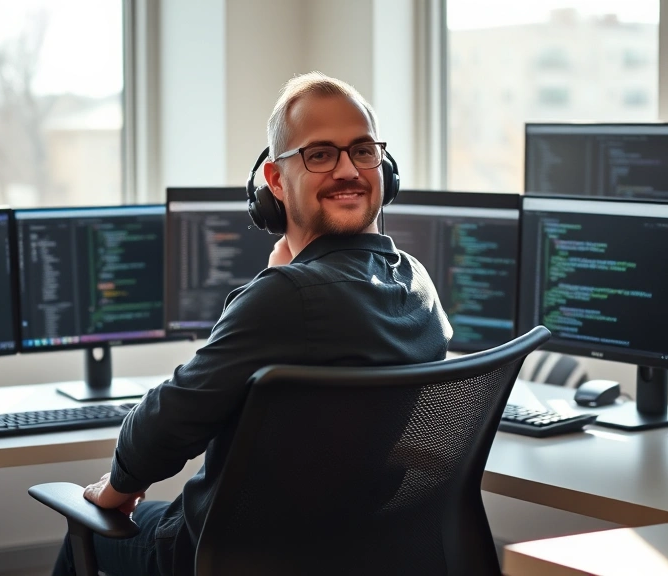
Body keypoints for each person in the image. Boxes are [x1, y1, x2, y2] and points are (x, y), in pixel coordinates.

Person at [53, 71, 452, 576]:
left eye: (363, 150)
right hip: (366, 552)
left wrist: (117, 489)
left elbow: (164, 423)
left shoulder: (284, 300)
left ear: (384, 169)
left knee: (83, 530)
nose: (348, 169)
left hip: (228, 556)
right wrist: (283, 279)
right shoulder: (416, 284)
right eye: (321, 154)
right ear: (277, 180)